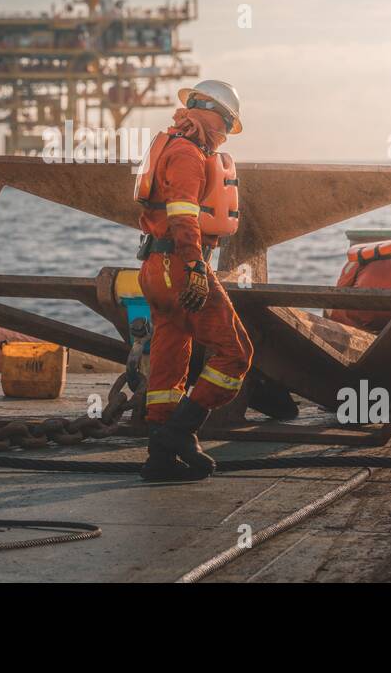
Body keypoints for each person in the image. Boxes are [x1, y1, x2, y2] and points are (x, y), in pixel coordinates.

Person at [133, 79, 254, 481]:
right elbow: (184, 216)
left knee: (170, 358)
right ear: (217, 117)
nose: (222, 135)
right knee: (234, 353)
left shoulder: (169, 143)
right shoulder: (187, 154)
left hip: (154, 267)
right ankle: (179, 433)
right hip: (180, 267)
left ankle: (159, 460)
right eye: (225, 124)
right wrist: (197, 268)